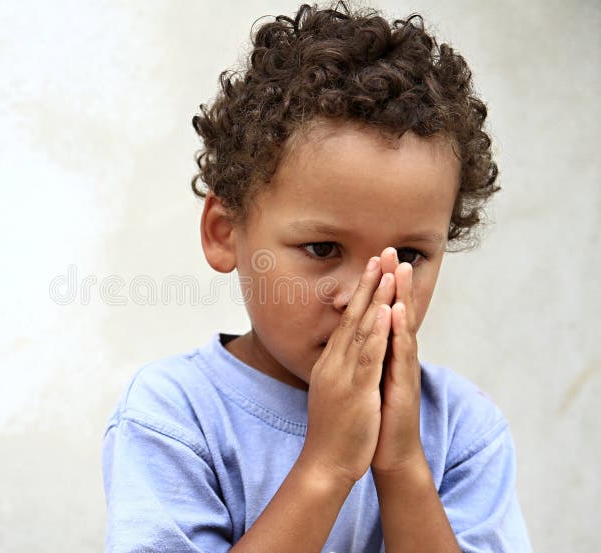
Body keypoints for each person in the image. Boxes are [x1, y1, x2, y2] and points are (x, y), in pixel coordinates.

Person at [101, 3, 532, 552]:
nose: (362, 295)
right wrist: (327, 466)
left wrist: (402, 466)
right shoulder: (173, 416)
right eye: (323, 248)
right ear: (225, 232)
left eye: (409, 254)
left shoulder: (463, 431)